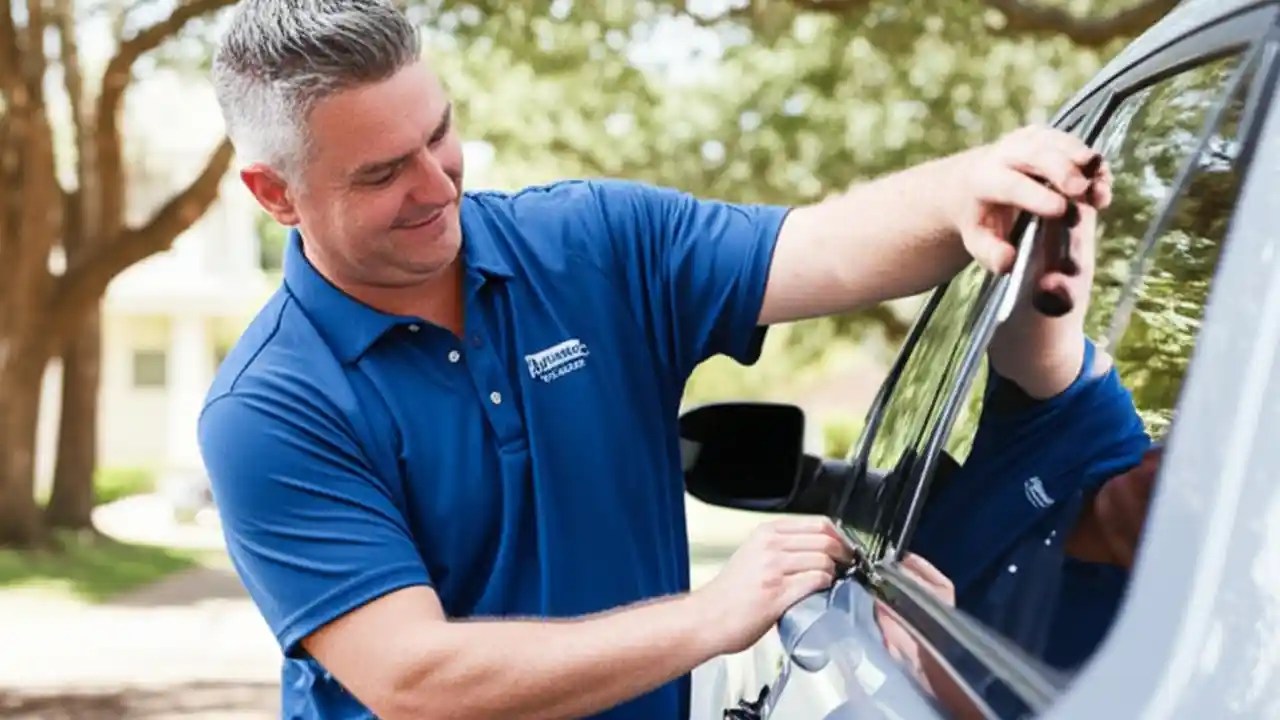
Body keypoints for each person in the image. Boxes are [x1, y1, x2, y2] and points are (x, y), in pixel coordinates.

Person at [197, 1, 1107, 718]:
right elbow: (419, 681)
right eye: (381, 172)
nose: (439, 185)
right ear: (275, 193)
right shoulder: (271, 407)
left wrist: (968, 188)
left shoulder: (593, 244)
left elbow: (824, 248)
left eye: (438, 133)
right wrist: (712, 616)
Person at [909, 174, 1162, 673]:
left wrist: (934, 659)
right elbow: (1037, 346)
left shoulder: (1160, 660)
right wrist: (1051, 271)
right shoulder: (1094, 430)